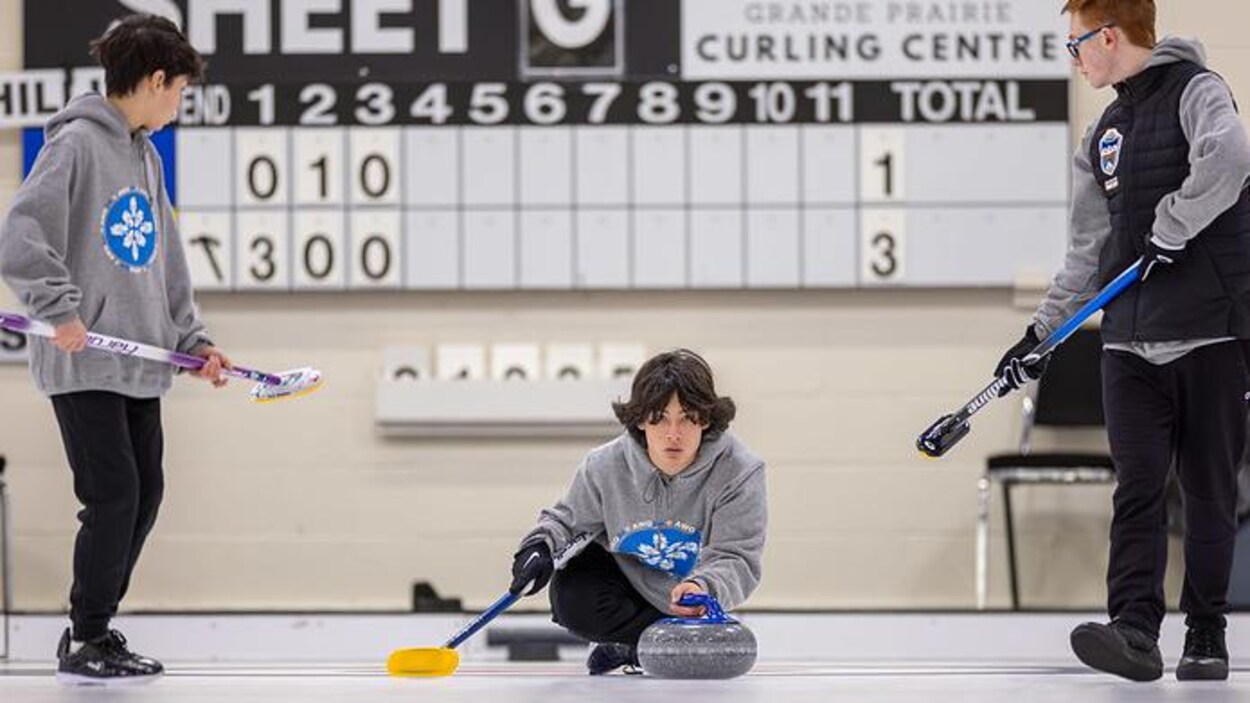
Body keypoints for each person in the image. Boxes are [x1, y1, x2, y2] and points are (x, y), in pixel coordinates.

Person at [993, 0, 1250, 683]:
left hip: (1210, 334)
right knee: (1136, 486)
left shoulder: (1197, 90)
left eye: (1076, 45)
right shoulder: (1103, 131)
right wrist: (1041, 332)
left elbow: (1231, 160)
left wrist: (1175, 223)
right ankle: (1135, 628)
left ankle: (1205, 630)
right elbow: (1086, 252)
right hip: (1129, 342)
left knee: (1208, 489)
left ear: (1109, 36)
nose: (1073, 59)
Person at [0, 15, 230, 685]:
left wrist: (194, 341)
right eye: (179, 89)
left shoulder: (145, 155)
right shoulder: (73, 145)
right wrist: (58, 308)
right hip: (84, 360)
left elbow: (165, 264)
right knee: (114, 494)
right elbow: (18, 238)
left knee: (146, 492)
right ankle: (90, 633)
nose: (178, 103)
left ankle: (92, 625)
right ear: (155, 80)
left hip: (140, 363)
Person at [506, 349, 767, 675]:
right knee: (571, 594)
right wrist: (538, 548)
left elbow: (736, 556)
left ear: (707, 419)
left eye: (687, 418)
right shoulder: (604, 465)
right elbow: (566, 522)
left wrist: (703, 588)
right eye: (659, 418)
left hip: (689, 596)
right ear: (642, 419)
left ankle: (636, 646)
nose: (673, 434)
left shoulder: (740, 471)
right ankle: (651, 644)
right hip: (620, 589)